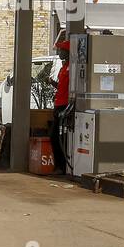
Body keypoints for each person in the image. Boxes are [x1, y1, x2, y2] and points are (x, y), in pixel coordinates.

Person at [51, 38, 71, 173]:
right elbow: (62, 87)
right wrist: (53, 84)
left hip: (65, 107)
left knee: (58, 137)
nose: (59, 52)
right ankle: (59, 165)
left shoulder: (71, 68)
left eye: (62, 50)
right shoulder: (64, 67)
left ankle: (62, 166)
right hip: (58, 105)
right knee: (55, 136)